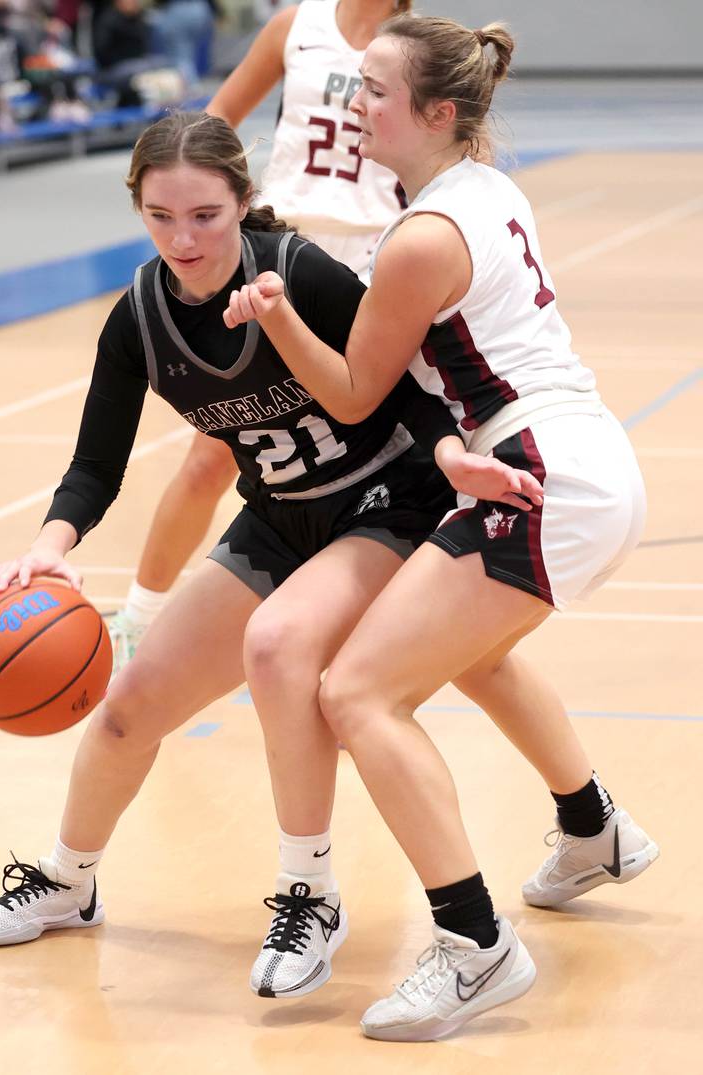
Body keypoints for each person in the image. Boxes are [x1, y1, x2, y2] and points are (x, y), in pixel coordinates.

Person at [0, 112, 537, 996]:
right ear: (139, 210)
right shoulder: (141, 320)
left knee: (278, 646)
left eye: (204, 215)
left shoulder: (300, 271)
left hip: (386, 501)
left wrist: (456, 452)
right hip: (278, 520)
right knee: (125, 709)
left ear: (242, 204)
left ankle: (309, 892)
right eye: (161, 217)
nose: (183, 237)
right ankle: (70, 881)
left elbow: (409, 378)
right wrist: (49, 548)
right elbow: (94, 463)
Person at [223, 14, 659, 1041]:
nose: (351, 101)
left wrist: (278, 313)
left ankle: (474, 948)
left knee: (356, 690)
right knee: (469, 654)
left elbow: (351, 396)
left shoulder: (420, 237)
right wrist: (458, 451)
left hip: (542, 471)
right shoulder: (477, 191)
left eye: (373, 89)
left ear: (436, 112)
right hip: (563, 457)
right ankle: (590, 826)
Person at [107, 0, 415, 676]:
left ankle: (351, 628)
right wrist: (194, 212)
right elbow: (208, 126)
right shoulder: (294, 27)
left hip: (370, 268)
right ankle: (138, 618)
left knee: (370, 449)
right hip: (276, 259)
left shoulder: (413, 48)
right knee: (213, 455)